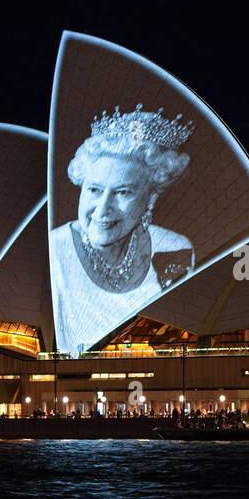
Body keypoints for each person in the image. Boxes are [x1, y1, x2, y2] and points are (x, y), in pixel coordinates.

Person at [50, 105, 196, 353]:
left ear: (150, 198)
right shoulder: (54, 250)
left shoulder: (174, 247)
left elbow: (174, 337)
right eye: (94, 189)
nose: (103, 208)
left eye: (123, 192)